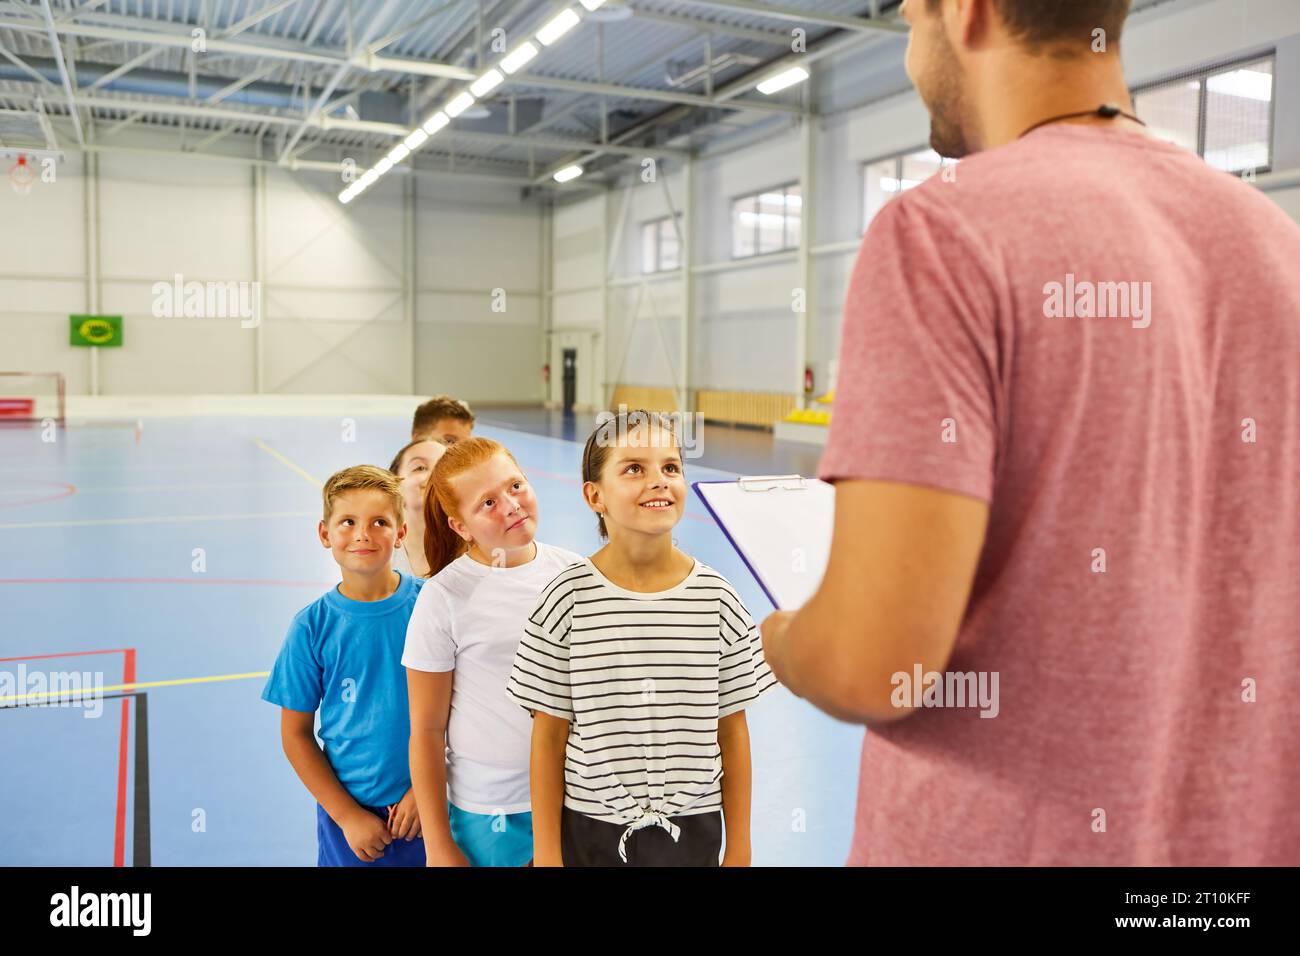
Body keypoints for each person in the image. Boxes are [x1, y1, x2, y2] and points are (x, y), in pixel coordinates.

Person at [761, 0, 1300, 865]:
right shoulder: (1277, 246)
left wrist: (786, 641)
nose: (911, 53)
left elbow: (871, 663)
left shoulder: (944, 233)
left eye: (913, 21)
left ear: (966, 13)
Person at [508, 410, 776, 866]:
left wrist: (740, 849)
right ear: (594, 495)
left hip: (693, 828)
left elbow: (732, 731)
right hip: (589, 829)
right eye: (634, 468)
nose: (658, 481)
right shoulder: (565, 600)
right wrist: (548, 853)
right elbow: (548, 737)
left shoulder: (718, 599)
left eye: (670, 467)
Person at [403, 437, 582, 866]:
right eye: (488, 503)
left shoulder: (576, 574)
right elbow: (427, 731)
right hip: (492, 810)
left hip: (574, 798)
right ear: (460, 526)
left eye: (515, 486)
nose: (511, 505)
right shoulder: (444, 597)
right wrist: (438, 845)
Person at [262, 465, 426, 866]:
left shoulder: (431, 606)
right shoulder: (311, 627)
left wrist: (427, 789)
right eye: (348, 521)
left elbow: (462, 710)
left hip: (432, 806)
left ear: (401, 533)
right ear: (325, 534)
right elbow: (296, 735)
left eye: (379, 522)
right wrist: (347, 815)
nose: (362, 534)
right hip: (350, 820)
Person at [388, 437, 447, 578]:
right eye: (420, 468)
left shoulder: (477, 552)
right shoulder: (379, 554)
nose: (435, 474)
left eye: (444, 468)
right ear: (395, 487)